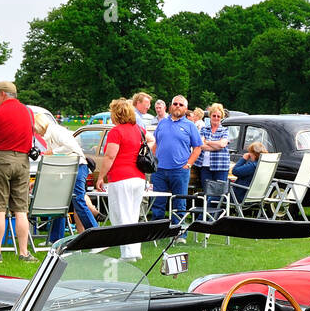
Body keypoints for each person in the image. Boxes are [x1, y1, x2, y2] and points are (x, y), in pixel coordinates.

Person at [0, 80, 36, 263]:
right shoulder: (28, 112)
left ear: (2, 94)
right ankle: (23, 252)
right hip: (22, 162)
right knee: (21, 210)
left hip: (1, 161)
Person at [93, 98, 147, 261]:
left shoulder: (116, 132)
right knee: (132, 214)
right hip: (138, 177)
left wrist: (100, 176)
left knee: (121, 215)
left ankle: (128, 253)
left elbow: (110, 156)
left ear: (116, 114)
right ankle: (135, 250)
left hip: (121, 177)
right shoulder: (139, 130)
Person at [33, 109, 97, 243]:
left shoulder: (55, 131)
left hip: (78, 166)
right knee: (60, 202)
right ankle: (56, 239)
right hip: (69, 167)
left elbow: (70, 147)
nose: (36, 132)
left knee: (78, 200)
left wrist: (52, 152)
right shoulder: (51, 133)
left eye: (35, 129)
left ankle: (96, 234)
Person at [149, 95, 202, 233]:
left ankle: (179, 233)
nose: (178, 106)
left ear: (185, 109)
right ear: (171, 106)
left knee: (179, 202)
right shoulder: (162, 123)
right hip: (159, 170)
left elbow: (198, 147)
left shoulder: (190, 125)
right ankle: (157, 232)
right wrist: (152, 161)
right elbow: (156, 143)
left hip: (179, 170)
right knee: (157, 203)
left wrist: (189, 164)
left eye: (181, 105)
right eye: (175, 104)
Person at [197, 103, 231, 219]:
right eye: (214, 116)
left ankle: (207, 216)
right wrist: (214, 144)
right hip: (205, 165)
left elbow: (222, 144)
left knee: (217, 193)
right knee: (207, 192)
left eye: (218, 116)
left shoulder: (224, 130)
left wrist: (208, 141)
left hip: (221, 166)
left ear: (221, 118)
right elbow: (200, 145)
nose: (216, 118)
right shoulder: (203, 129)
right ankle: (207, 216)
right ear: (210, 116)